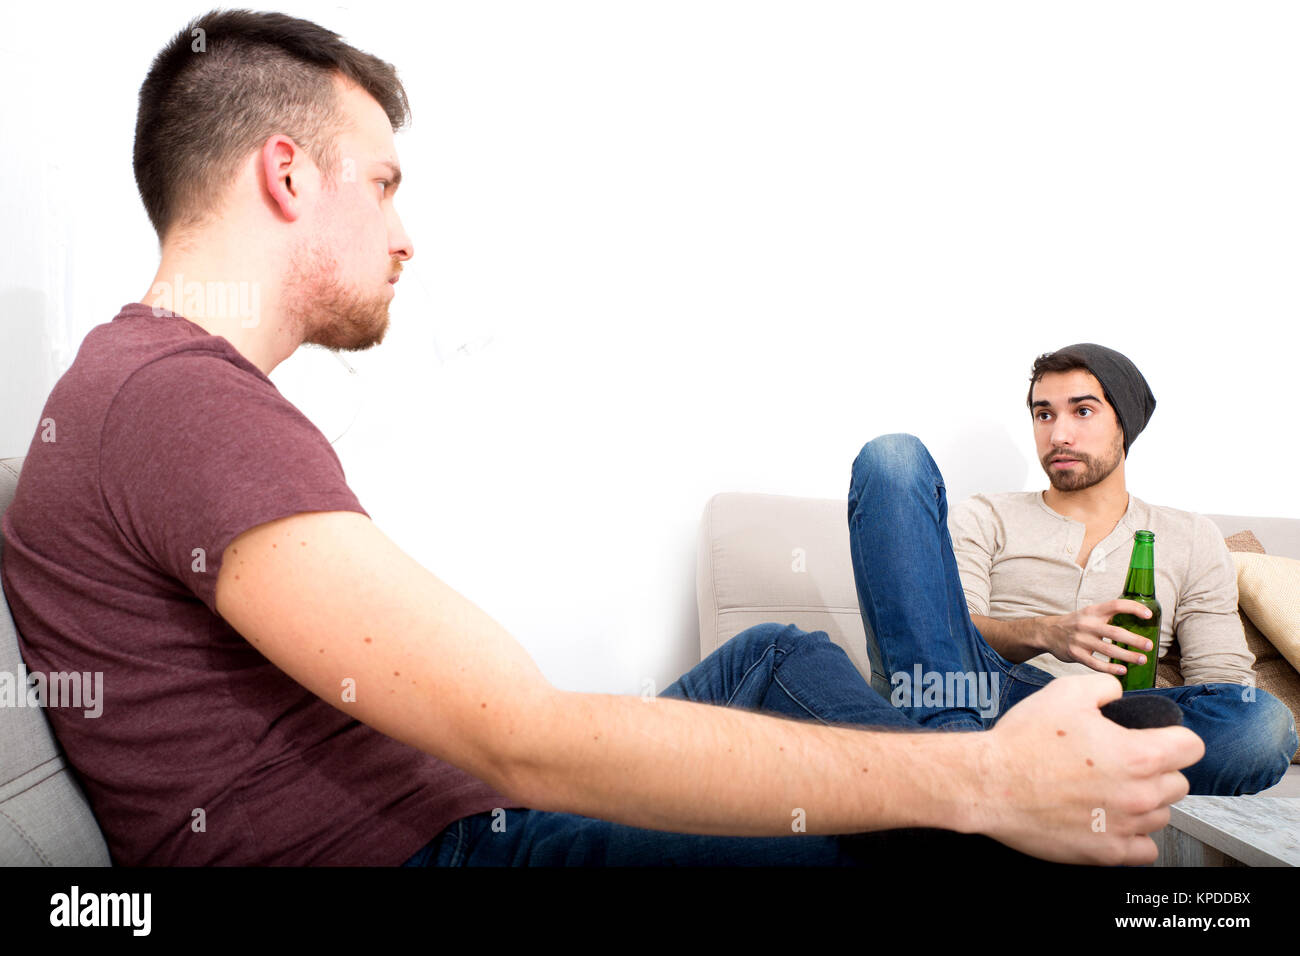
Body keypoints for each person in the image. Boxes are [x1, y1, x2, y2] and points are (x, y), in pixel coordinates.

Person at [0, 10, 1203, 867]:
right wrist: (980, 785)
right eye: (382, 181)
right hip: (456, 844)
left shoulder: (149, 388)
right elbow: (521, 740)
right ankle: (1004, 784)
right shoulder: (177, 400)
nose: (407, 231)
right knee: (945, 815)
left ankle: (1005, 771)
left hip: (453, 801)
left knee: (774, 654)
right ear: (284, 175)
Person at [849, 347, 1296, 798]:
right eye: (1044, 415)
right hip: (973, 690)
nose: (1059, 433)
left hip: (1098, 720)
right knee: (892, 457)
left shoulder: (1192, 536)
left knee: (1263, 723)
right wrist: (1046, 633)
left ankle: (1006, 769)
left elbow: (1220, 684)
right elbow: (937, 634)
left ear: (1125, 424)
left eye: (1082, 411)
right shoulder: (985, 515)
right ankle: (958, 749)